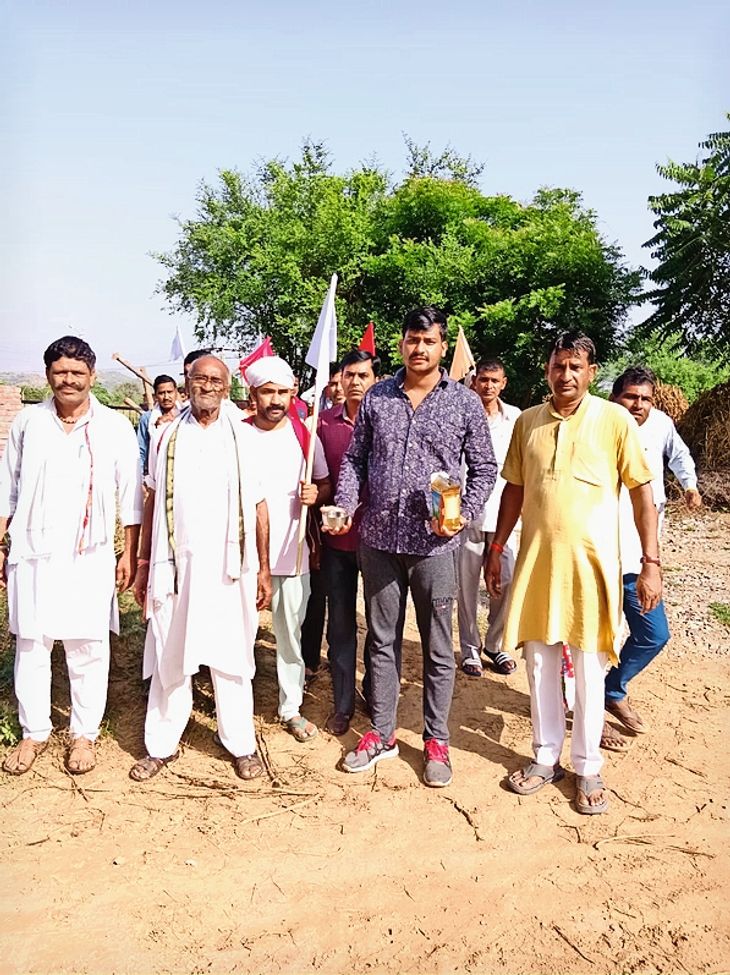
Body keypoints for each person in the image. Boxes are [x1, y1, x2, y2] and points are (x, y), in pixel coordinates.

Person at [485, 331, 661, 815]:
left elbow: (642, 493)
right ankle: (545, 758)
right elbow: (514, 489)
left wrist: (651, 563)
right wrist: (496, 546)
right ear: (547, 370)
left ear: (591, 372)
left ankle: (587, 766)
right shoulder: (528, 422)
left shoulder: (614, 420)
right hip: (537, 564)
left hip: (592, 569)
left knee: (588, 666)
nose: (566, 375)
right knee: (540, 664)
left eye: (576, 367)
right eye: (558, 366)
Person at [335, 307, 496, 787]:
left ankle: (436, 739)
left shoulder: (463, 402)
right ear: (401, 344)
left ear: (443, 346)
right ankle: (381, 732)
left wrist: (463, 513)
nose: (419, 348)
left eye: (428, 340)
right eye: (412, 339)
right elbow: (355, 459)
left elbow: (484, 467)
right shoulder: (379, 396)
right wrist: (346, 502)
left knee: (438, 646)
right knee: (381, 639)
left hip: (435, 545)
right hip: (379, 540)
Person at [0, 336, 142, 775]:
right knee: (32, 643)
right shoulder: (28, 422)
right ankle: (34, 732)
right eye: (60, 372)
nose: (68, 380)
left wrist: (129, 553)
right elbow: (7, 489)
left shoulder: (113, 427)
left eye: (77, 373)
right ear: (48, 375)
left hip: (91, 553)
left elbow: (131, 497)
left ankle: (84, 734)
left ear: (92, 376)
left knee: (88, 645)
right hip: (33, 549)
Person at [130, 355, 271, 781]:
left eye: (215, 380)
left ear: (226, 389)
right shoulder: (166, 435)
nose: (207, 386)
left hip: (231, 569)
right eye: (199, 378)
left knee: (232, 656)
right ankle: (161, 745)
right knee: (170, 652)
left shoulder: (244, 436)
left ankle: (241, 745)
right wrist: (142, 562)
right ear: (186, 382)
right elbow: (152, 500)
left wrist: (264, 568)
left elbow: (259, 506)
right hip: (175, 567)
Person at [601, 366, 701, 750]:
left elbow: (679, 454)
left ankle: (613, 689)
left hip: (641, 557)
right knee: (595, 642)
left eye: (645, 398)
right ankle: (586, 713)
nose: (638, 405)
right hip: (600, 555)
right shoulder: (599, 427)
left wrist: (689, 485)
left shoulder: (660, 424)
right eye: (631, 396)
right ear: (615, 397)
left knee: (654, 634)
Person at [245, 356, 331, 742]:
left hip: (293, 553)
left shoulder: (305, 436)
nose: (276, 399)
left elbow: (325, 483)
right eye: (268, 392)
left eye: (282, 392)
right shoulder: (236, 433)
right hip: (242, 558)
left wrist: (317, 494)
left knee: (290, 636)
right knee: (240, 635)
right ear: (254, 394)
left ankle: (290, 707)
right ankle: (236, 707)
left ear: (292, 393)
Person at [319, 349, 379, 735]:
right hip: (336, 543)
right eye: (349, 375)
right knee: (340, 624)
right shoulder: (323, 424)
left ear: (376, 379)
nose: (355, 382)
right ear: (340, 380)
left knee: (380, 625)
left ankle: (375, 691)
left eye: (363, 375)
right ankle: (342, 703)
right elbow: (317, 477)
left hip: (378, 543)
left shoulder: (387, 421)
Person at [457, 358, 521, 678]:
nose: (488, 386)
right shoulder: (460, 414)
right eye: (483, 379)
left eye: (495, 381)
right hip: (466, 516)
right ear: (474, 381)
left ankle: (496, 645)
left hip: (504, 515)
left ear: (504, 383)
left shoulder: (516, 419)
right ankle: (470, 648)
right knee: (466, 587)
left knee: (505, 582)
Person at [137, 374, 179, 475]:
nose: (166, 397)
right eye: (161, 393)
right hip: (155, 473)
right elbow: (141, 450)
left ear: (176, 392)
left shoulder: (184, 415)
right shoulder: (148, 419)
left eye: (169, 392)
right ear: (155, 396)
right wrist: (141, 477)